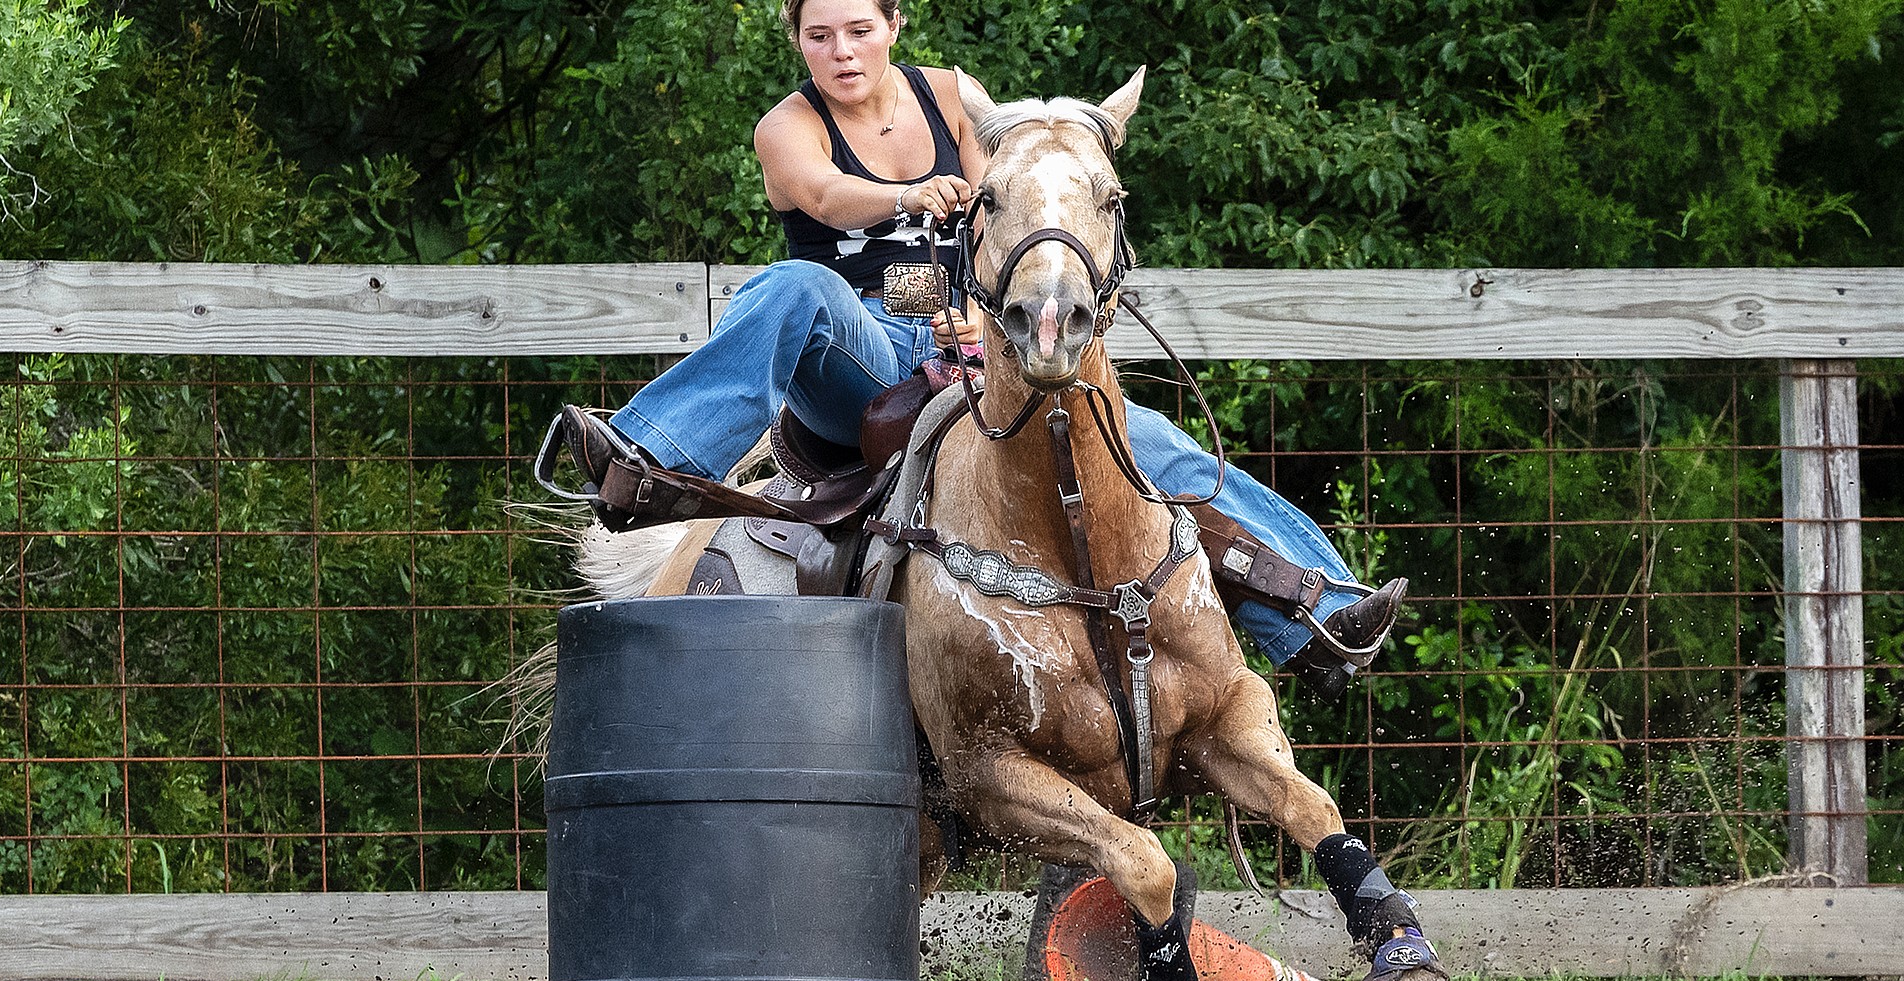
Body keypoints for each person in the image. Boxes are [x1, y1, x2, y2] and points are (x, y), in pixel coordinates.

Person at [548, 0, 1404, 698]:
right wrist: (906, 196)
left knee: (1148, 443)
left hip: (974, 344)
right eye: (819, 36)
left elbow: (996, 215)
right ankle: (642, 458)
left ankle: (1323, 611)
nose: (841, 53)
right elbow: (822, 196)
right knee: (793, 287)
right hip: (855, 354)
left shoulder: (956, 99)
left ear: (894, 26)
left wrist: (979, 312)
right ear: (797, 39)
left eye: (858, 30)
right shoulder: (789, 127)